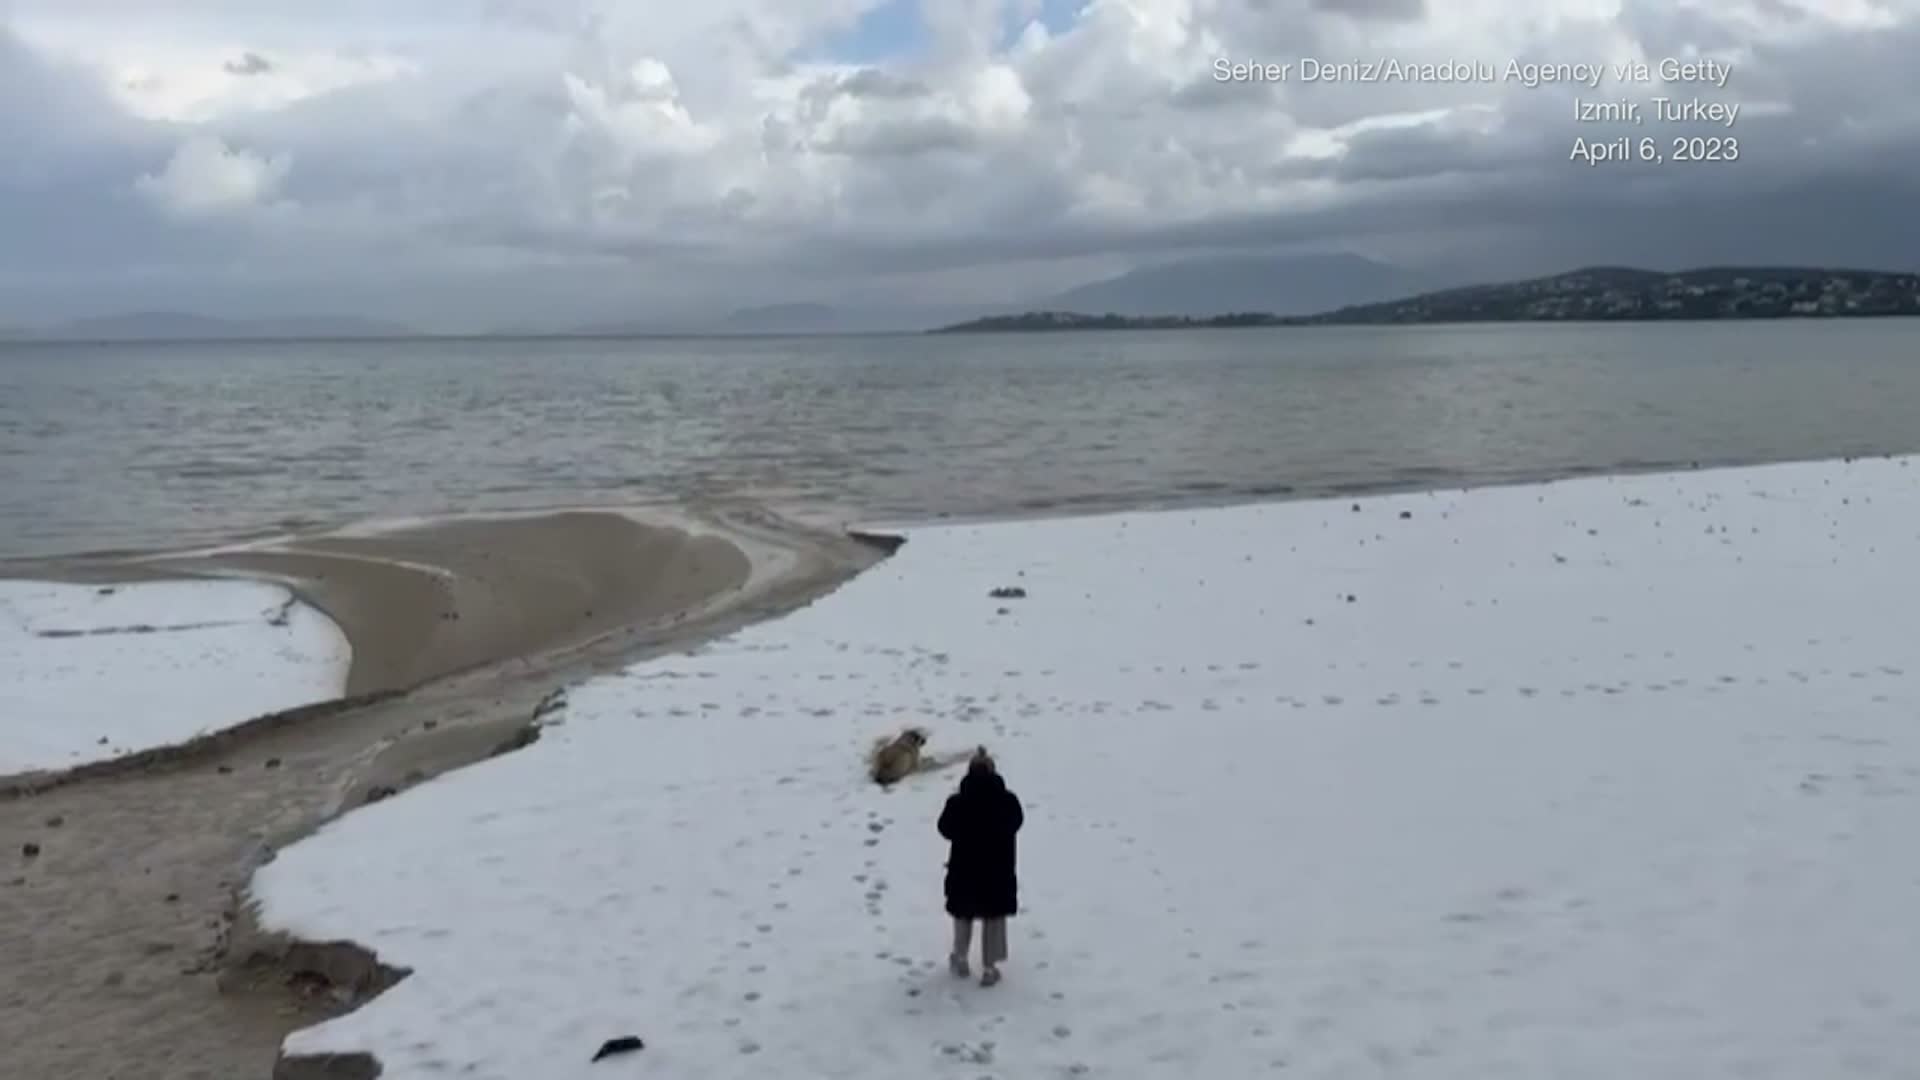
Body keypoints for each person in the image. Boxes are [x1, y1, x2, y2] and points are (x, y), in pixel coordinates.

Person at [937, 747, 1024, 986]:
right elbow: (1016, 823)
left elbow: (945, 829)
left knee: (963, 915)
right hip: (998, 873)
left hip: (964, 871)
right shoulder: (1007, 801)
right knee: (994, 918)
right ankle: (989, 967)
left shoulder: (957, 802)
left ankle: (961, 958)